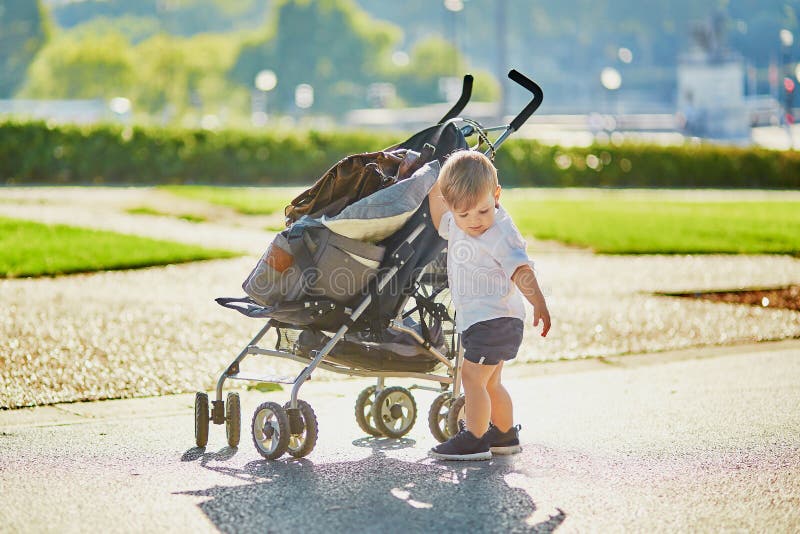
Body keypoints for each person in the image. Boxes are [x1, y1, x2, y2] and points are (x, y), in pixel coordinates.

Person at [427, 150, 551, 461]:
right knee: (492, 382)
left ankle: (475, 438)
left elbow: (520, 269)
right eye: (464, 214)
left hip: (493, 321)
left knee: (471, 378)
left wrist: (538, 301)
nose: (475, 222)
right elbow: (440, 217)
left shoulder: (500, 231)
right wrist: (431, 186)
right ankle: (505, 435)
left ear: (496, 195)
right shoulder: (458, 223)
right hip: (487, 321)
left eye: (483, 211)